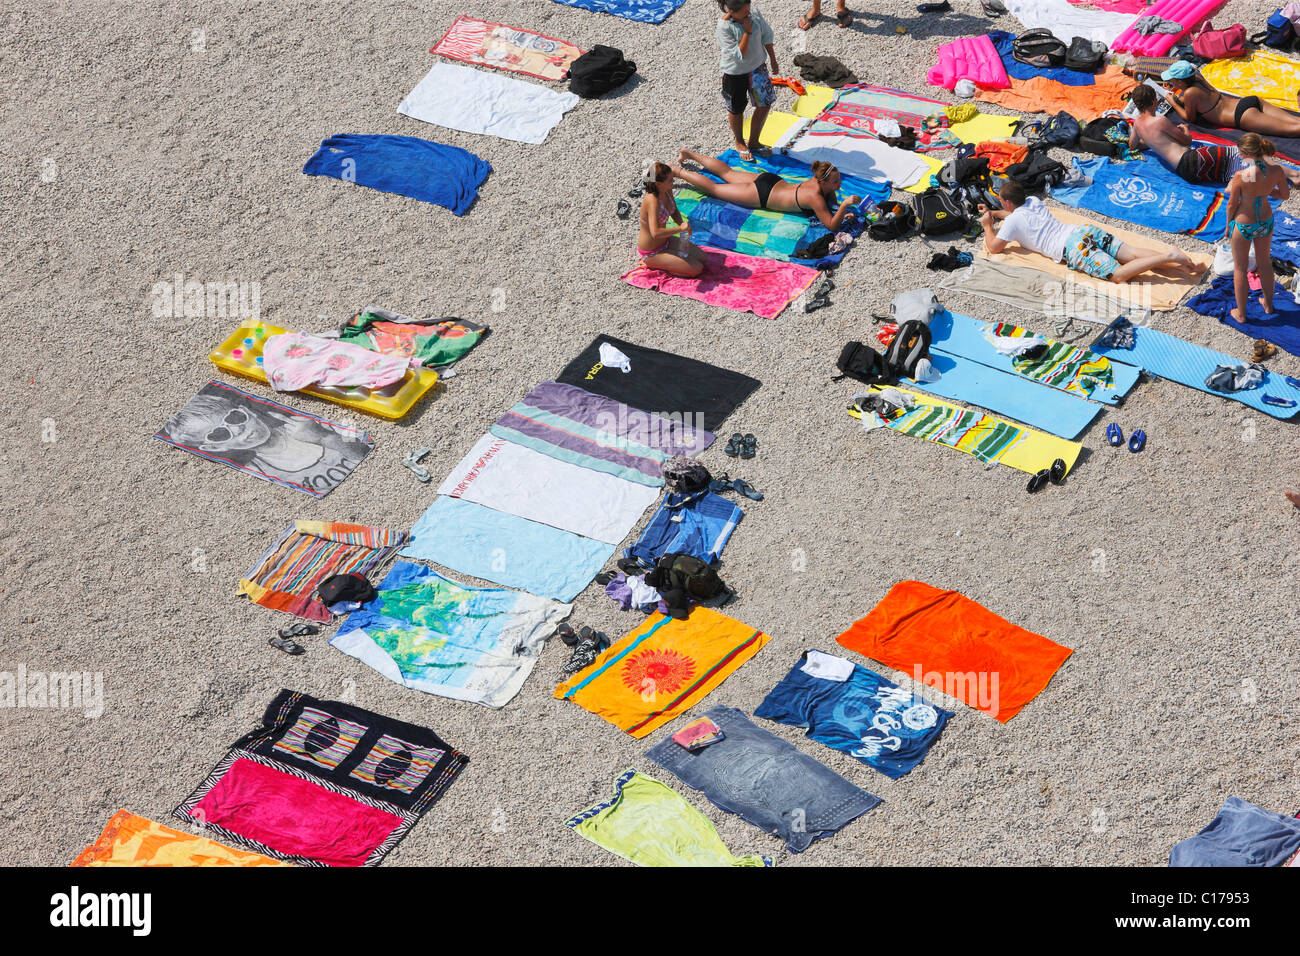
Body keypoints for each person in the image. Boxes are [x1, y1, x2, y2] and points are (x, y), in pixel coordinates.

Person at [978, 180, 1196, 283]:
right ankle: (1180, 261)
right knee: (1131, 253)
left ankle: (1169, 256)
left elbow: (995, 248)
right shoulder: (1033, 201)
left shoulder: (1012, 222)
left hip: (1074, 249)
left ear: (1007, 202)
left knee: (1118, 275)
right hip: (1082, 231)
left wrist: (987, 225)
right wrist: (995, 213)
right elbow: (1015, 217)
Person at [672, 147, 862, 231]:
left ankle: (689, 153)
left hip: (770, 180)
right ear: (824, 182)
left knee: (728, 174)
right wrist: (844, 207)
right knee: (714, 188)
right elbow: (831, 226)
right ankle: (677, 171)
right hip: (762, 194)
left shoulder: (819, 180)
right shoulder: (815, 197)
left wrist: (839, 211)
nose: (839, 184)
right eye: (836, 181)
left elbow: (831, 204)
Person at [1224, 133, 1289, 322]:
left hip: (1245, 223)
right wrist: (1267, 190)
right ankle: (1268, 305)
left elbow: (1232, 204)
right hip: (1265, 221)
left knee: (1240, 268)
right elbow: (1284, 195)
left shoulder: (1241, 176)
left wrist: (1228, 225)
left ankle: (1241, 314)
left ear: (1246, 153)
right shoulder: (1276, 171)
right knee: (1264, 262)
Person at [1160, 60, 1300, 143]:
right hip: (1249, 102)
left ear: (1179, 81)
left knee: (1293, 130)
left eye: (1172, 80)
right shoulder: (1198, 79)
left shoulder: (1190, 93)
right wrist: (1178, 98)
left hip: (1243, 116)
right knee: (1295, 121)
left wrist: (1172, 102)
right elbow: (1197, 98)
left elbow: (1189, 118)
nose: (1170, 82)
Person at [1128, 84, 1239, 185]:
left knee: (1231, 172)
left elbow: (1133, 145)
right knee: (1240, 155)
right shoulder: (1159, 120)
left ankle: (1250, 177)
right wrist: (1185, 129)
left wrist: (1150, 142)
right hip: (1191, 160)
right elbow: (1187, 141)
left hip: (1185, 172)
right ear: (1154, 101)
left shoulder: (1137, 125)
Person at [716, 0, 778, 162]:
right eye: (744, 11)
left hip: (757, 67)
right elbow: (738, 56)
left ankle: (754, 141)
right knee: (736, 108)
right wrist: (747, 32)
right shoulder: (724, 27)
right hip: (735, 73)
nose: (748, 13)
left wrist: (772, 59)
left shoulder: (753, 13)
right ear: (732, 12)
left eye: (749, 9)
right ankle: (739, 141)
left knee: (764, 103)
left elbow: (766, 34)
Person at [637, 161, 706, 277]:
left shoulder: (666, 190)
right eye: (670, 180)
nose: (673, 182)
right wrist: (679, 228)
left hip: (666, 241)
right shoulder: (652, 201)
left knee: (703, 258)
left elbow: (673, 211)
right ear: (658, 184)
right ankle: (652, 263)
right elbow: (655, 233)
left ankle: (671, 259)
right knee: (697, 269)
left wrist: (684, 225)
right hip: (652, 251)